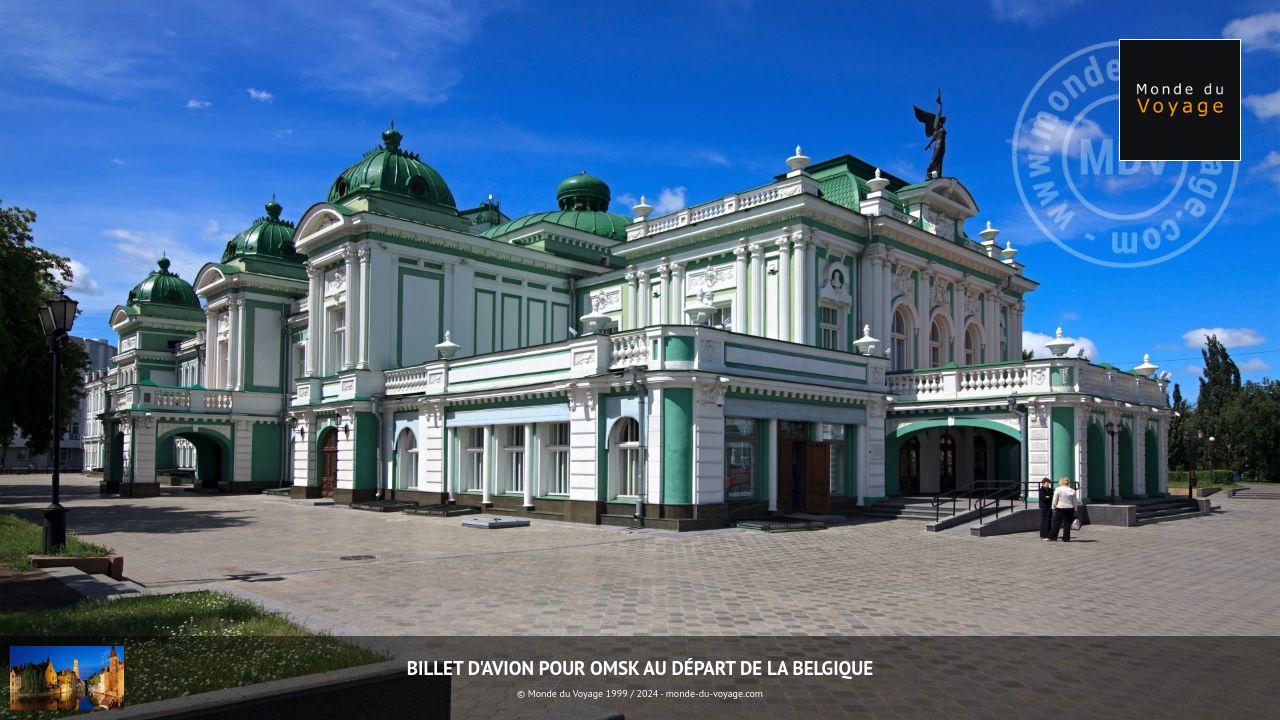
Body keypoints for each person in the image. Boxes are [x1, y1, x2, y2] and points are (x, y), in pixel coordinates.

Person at [1049, 476, 1078, 542]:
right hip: (1070, 508)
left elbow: (1055, 499)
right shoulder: (1072, 490)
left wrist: (1053, 507)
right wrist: (1075, 510)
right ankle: (1066, 538)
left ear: (1061, 482)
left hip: (1060, 507)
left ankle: (1052, 537)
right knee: (1067, 524)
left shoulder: (1058, 489)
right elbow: (1075, 501)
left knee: (1056, 523)